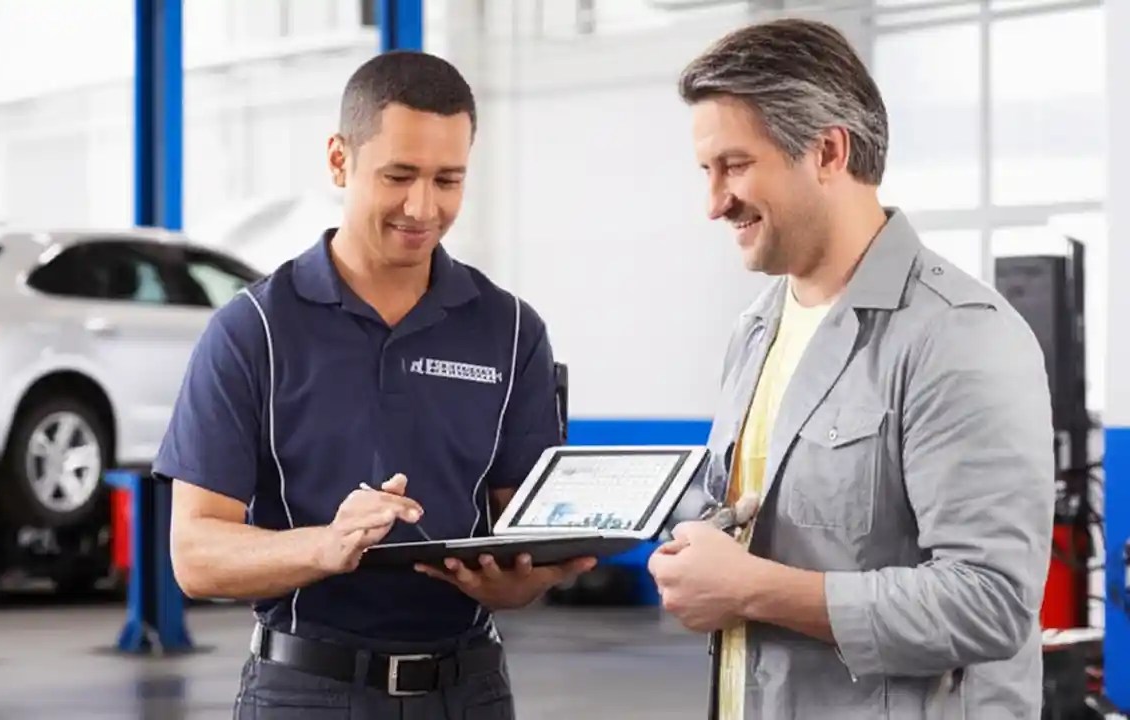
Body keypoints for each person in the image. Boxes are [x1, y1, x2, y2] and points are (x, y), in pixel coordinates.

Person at [154, 50, 595, 719]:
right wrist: (326, 545)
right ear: (340, 161)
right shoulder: (254, 331)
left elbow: (519, 527)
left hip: (469, 692)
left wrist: (523, 582)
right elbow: (196, 553)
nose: (424, 207)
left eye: (448, 180)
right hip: (306, 694)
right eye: (399, 175)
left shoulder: (509, 330)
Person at [647, 18, 1055, 719]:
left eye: (734, 166)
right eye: (706, 172)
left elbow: (991, 604)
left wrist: (751, 587)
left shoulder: (957, 336)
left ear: (827, 151)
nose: (713, 203)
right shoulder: (757, 331)